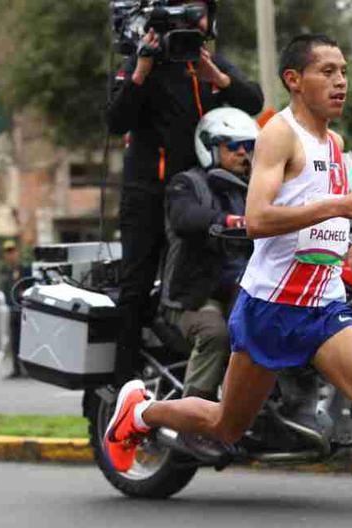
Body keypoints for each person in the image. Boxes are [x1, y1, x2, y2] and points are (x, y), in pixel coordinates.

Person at [106, 35, 352, 528]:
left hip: (324, 306)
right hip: (271, 307)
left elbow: (316, 217)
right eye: (327, 72)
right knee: (226, 425)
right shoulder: (278, 135)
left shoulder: (332, 144)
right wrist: (340, 206)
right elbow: (259, 218)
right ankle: (142, 414)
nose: (340, 82)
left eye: (343, 72)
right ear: (294, 80)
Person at [107, 0, 263, 385]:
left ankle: (199, 371)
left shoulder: (209, 63)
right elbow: (115, 120)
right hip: (147, 193)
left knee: (207, 280)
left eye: (199, 10)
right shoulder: (141, 62)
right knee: (137, 286)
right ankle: (123, 386)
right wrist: (142, 69)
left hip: (199, 195)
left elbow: (254, 103)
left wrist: (217, 78)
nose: (194, 21)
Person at [161, 107, 257, 401]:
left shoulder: (254, 188)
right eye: (233, 146)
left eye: (249, 146)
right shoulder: (186, 183)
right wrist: (227, 221)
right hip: (194, 297)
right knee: (216, 334)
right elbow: (184, 217)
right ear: (210, 147)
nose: (243, 153)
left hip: (243, 290)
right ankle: (194, 420)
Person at [0, 240, 32, 379]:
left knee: (26, 341)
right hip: (13, 310)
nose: (10, 255)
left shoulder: (25, 269)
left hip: (24, 310)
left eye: (12, 252)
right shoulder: (7, 272)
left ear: (17, 253)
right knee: (15, 341)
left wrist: (24, 292)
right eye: (7, 252)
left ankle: (28, 369)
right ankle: (16, 369)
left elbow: (32, 286)